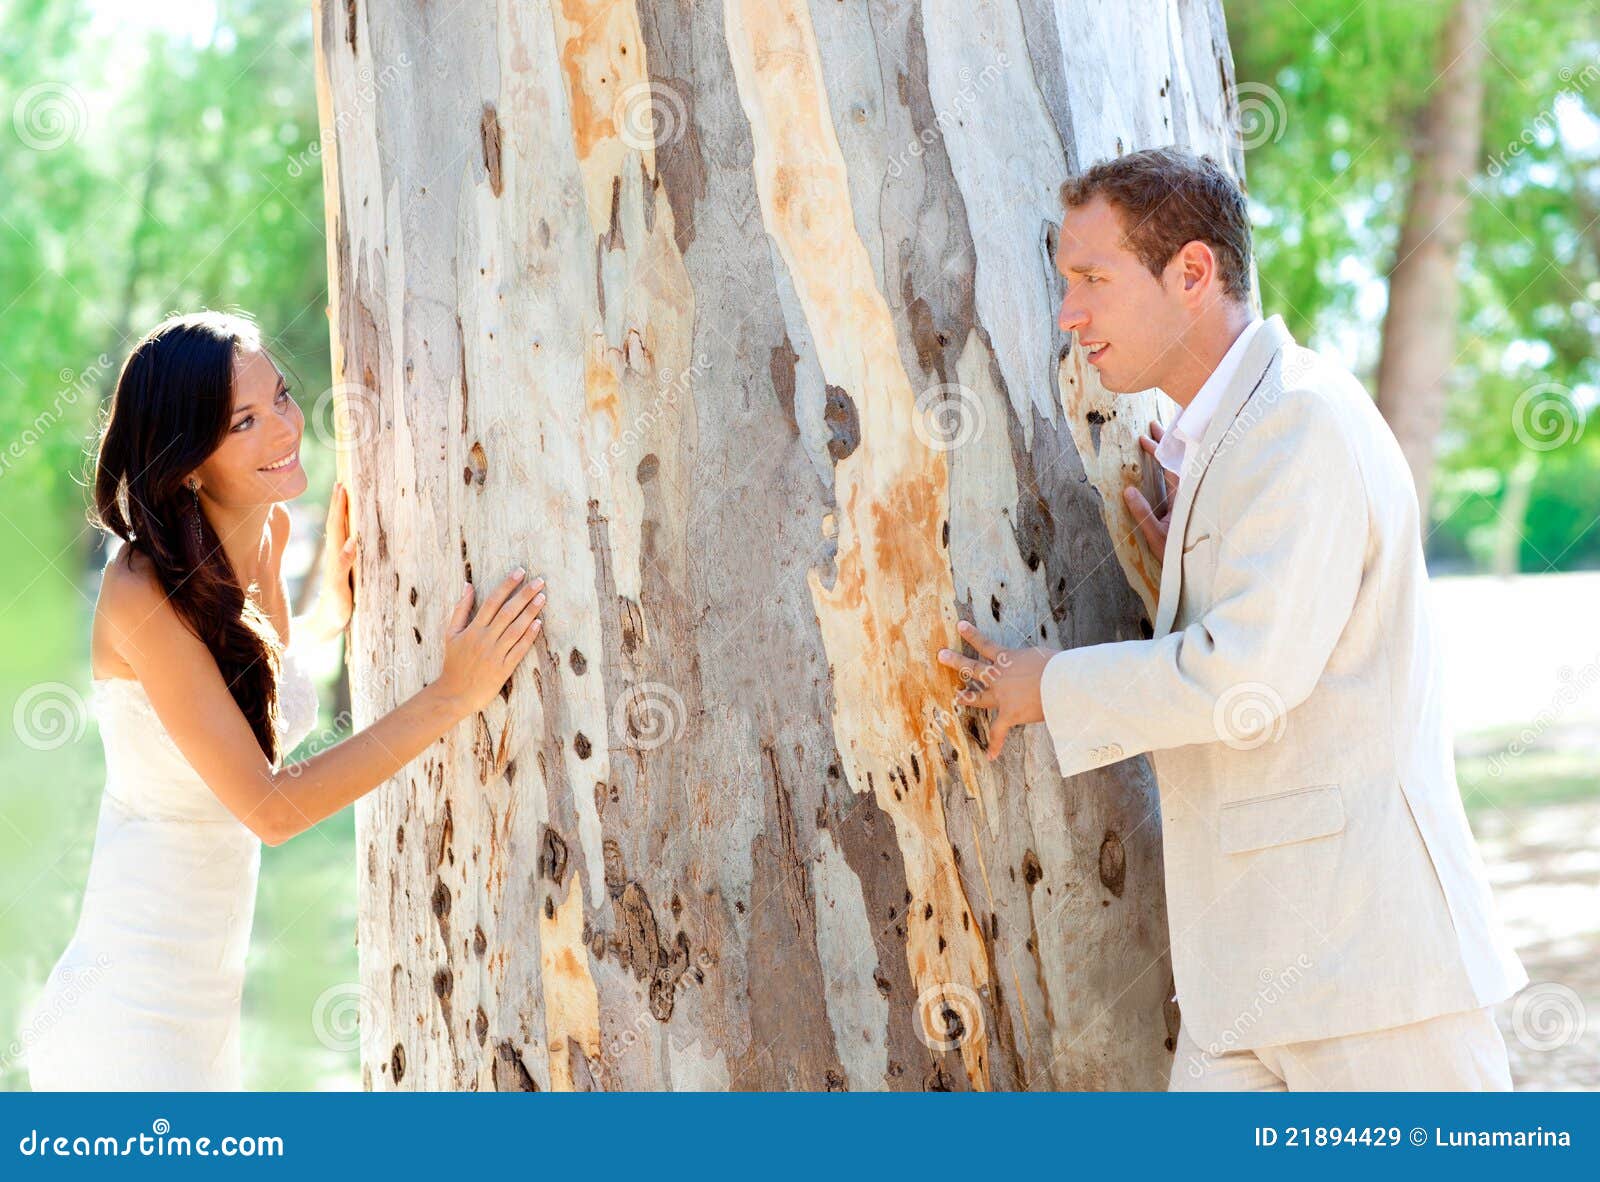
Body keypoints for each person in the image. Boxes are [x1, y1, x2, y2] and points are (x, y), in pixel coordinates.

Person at [937, 148, 1527, 1091]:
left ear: (1193, 272)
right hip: (1249, 984)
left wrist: (1049, 686)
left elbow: (1246, 676)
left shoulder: (1300, 420)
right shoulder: (1243, 435)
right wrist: (1192, 557)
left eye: (1092, 279)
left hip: (1368, 980)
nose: (1069, 313)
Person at [26, 310, 546, 1090]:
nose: (285, 427)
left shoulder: (263, 535)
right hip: (124, 1016)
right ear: (188, 462)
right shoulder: (137, 590)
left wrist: (329, 610)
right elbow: (269, 809)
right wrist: (451, 695)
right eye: (244, 421)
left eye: (281, 397)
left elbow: (253, 706)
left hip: (204, 1009)